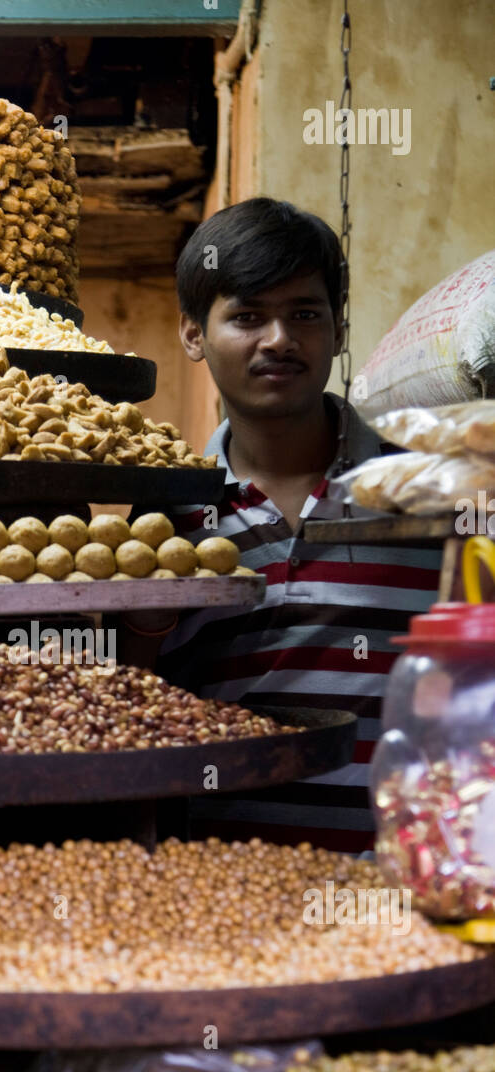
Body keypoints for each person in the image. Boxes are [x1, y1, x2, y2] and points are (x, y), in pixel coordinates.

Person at [120, 197, 442, 851]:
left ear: (339, 328)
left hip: (406, 892)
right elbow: (131, 707)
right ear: (193, 334)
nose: (279, 340)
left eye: (304, 314)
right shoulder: (166, 515)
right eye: (247, 316)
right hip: (228, 890)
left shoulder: (428, 493)